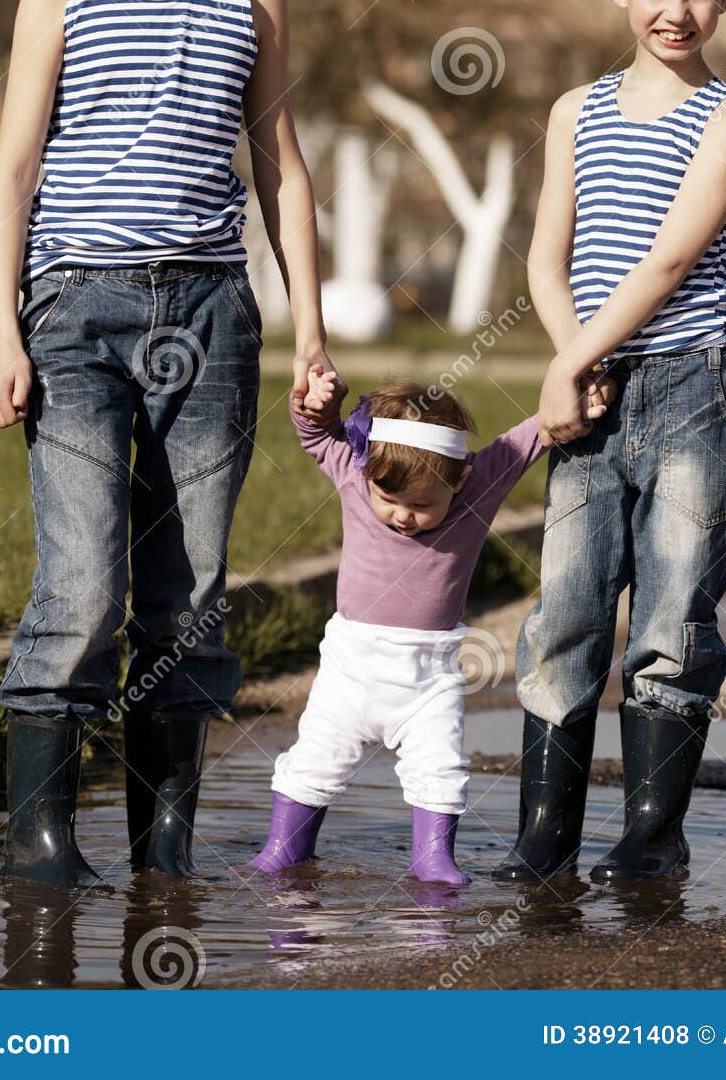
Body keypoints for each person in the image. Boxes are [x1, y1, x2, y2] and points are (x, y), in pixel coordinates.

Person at [0, 0, 338, 885]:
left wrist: (311, 330)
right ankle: (41, 841)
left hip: (212, 314)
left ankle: (163, 849)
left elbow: (280, 169)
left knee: (188, 597)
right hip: (74, 312)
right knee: (84, 583)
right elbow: (14, 165)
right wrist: (1, 332)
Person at [496, 0, 726, 885]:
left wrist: (569, 364)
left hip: (696, 390)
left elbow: (668, 262)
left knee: (671, 621)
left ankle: (650, 840)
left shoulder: (725, 116)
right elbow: (544, 258)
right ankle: (543, 839)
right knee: (565, 610)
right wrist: (578, 360)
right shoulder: (576, 111)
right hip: (595, 393)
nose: (674, 11)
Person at [249, 370, 605, 884]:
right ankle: (284, 849)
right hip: (351, 668)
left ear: (458, 481)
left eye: (420, 505)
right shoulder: (356, 471)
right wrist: (318, 404)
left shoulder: (477, 488)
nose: (403, 516)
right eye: (390, 500)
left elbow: (533, 437)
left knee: (440, 767)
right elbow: (315, 435)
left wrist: (577, 396)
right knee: (315, 760)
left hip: (428, 677)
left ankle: (433, 860)